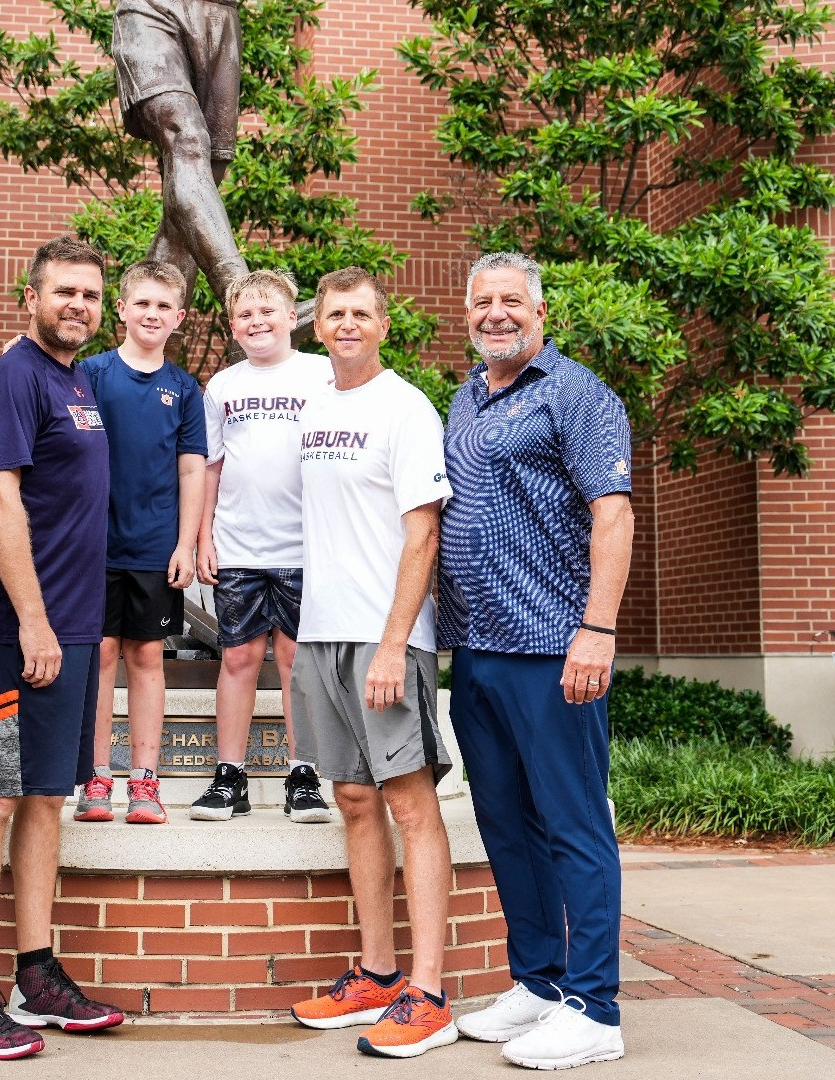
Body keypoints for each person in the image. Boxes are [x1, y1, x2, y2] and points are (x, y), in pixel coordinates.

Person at [438, 252, 634, 1070]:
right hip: (475, 651)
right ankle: (539, 983)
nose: (495, 314)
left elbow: (612, 514)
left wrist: (597, 629)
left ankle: (595, 1008)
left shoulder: (579, 393)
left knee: (573, 826)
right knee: (505, 827)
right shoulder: (464, 396)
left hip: (553, 647)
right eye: (481, 302)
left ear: (539, 312)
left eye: (510, 301)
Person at [0, 235, 127, 1061]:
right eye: (64, 293)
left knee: (46, 796)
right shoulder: (16, 377)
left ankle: (37, 972)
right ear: (29, 296)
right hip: (25, 636)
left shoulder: (75, 379)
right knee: (0, 795)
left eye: (90, 295)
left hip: (73, 629)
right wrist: (31, 621)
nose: (78, 306)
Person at [285, 268, 457, 1059]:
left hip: (387, 635)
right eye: (334, 314)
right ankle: (378, 976)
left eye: (361, 313)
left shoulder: (406, 407)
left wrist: (394, 643)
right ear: (315, 327)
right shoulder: (313, 404)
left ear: (382, 325)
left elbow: (421, 533)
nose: (347, 324)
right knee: (353, 796)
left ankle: (427, 990)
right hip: (320, 630)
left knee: (409, 805)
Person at [191, 268, 334, 823]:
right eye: (245, 314)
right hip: (239, 545)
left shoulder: (321, 375)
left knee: (299, 660)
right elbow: (211, 466)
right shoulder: (224, 385)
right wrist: (204, 537)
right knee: (239, 657)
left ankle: (304, 774)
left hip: (305, 546)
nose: (257, 321)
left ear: (293, 316)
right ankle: (230, 776)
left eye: (267, 310)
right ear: (232, 325)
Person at [74, 261, 208, 825]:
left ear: (178, 318)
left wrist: (185, 544)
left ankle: (146, 782)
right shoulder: (91, 374)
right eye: (141, 304)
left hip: (155, 548)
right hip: (93, 546)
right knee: (101, 656)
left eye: (163, 307)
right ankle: (97, 776)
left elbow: (192, 472)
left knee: (147, 656)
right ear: (122, 310)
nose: (151, 315)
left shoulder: (183, 388)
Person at [112, 0, 249, 302]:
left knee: (200, 188)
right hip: (152, 8)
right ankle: (247, 300)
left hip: (221, 15)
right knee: (187, 139)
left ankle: (156, 340)